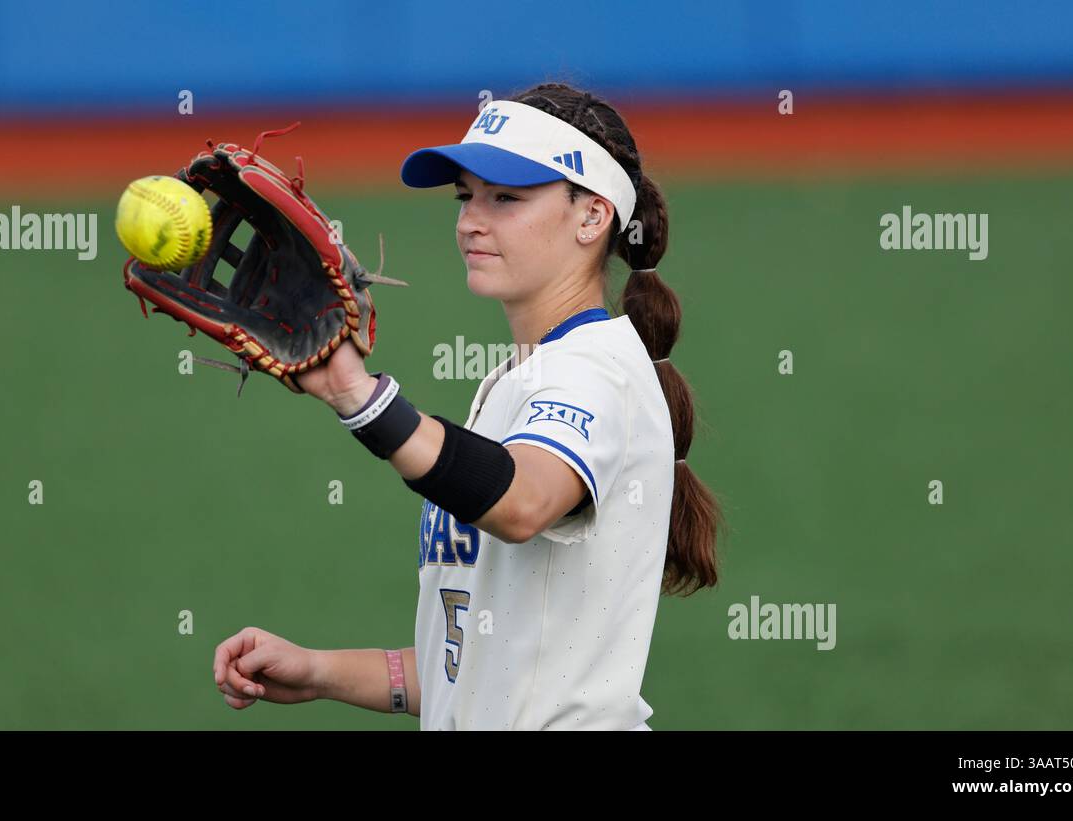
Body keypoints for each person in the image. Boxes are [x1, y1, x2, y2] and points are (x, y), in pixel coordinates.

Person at [213, 83, 724, 730]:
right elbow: (471, 669)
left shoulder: (593, 373)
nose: (470, 220)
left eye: (506, 197)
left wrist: (359, 396)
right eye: (466, 196)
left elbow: (522, 503)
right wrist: (317, 669)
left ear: (592, 217)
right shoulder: (519, 383)